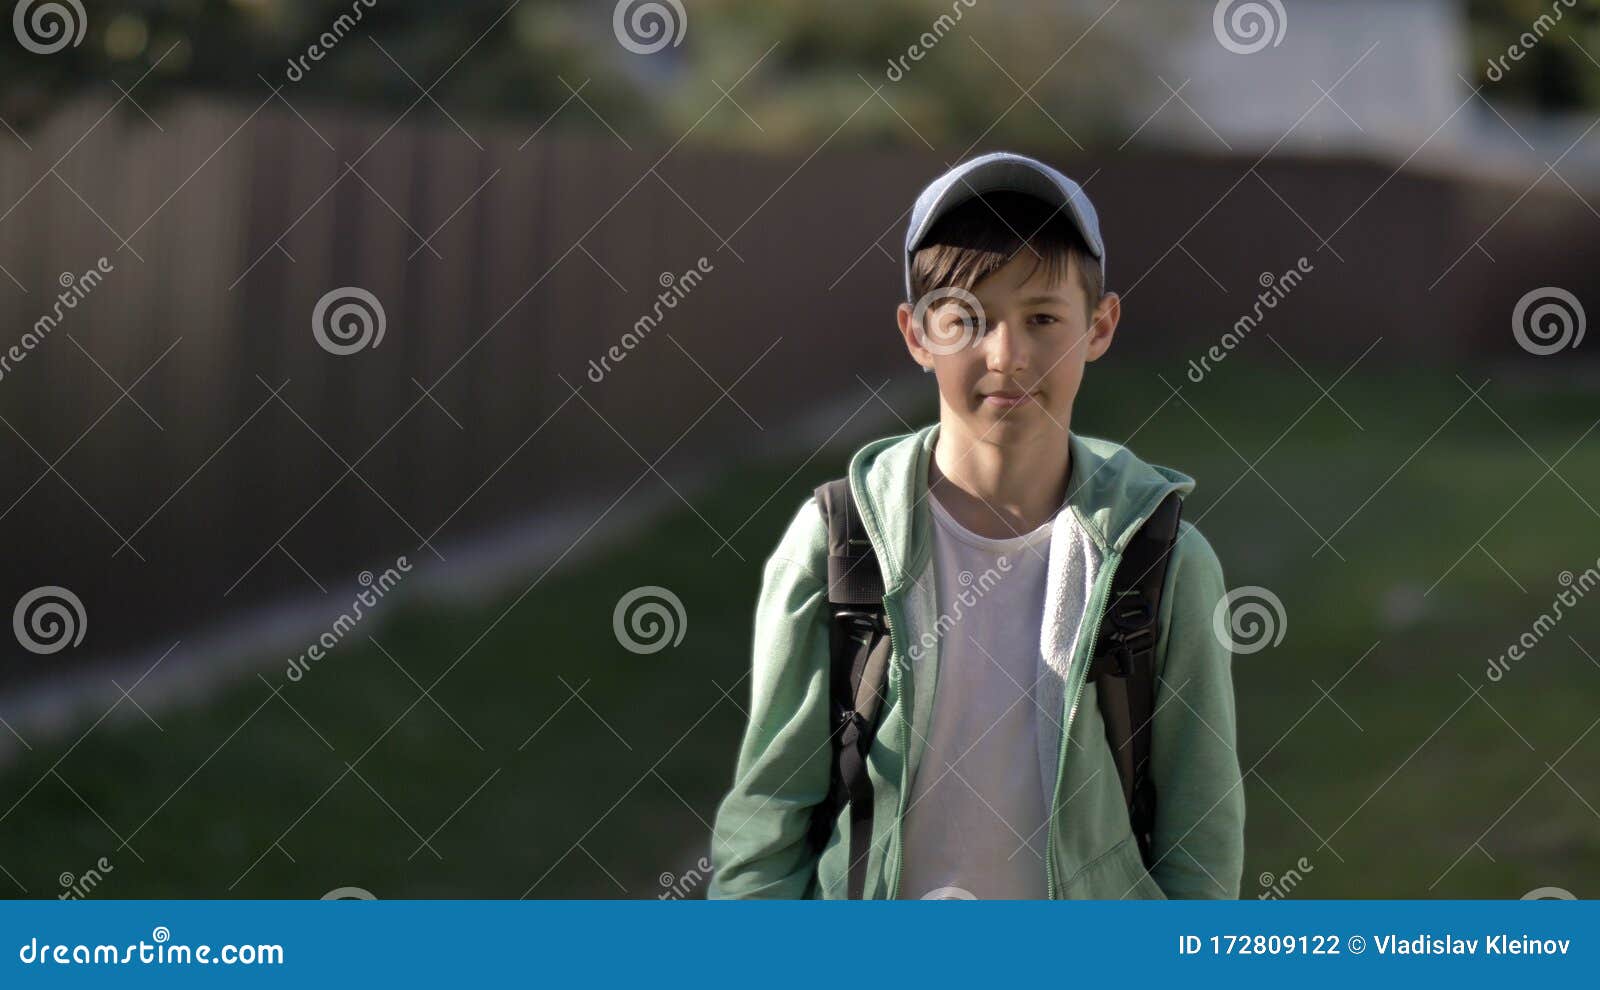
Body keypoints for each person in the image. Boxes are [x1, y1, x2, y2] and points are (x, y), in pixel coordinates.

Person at [706, 152, 1244, 899]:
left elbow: (1201, 843)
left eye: (1043, 318)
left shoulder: (1165, 558)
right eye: (967, 318)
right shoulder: (835, 542)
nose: (1007, 354)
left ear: (1101, 324)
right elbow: (765, 824)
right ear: (917, 334)